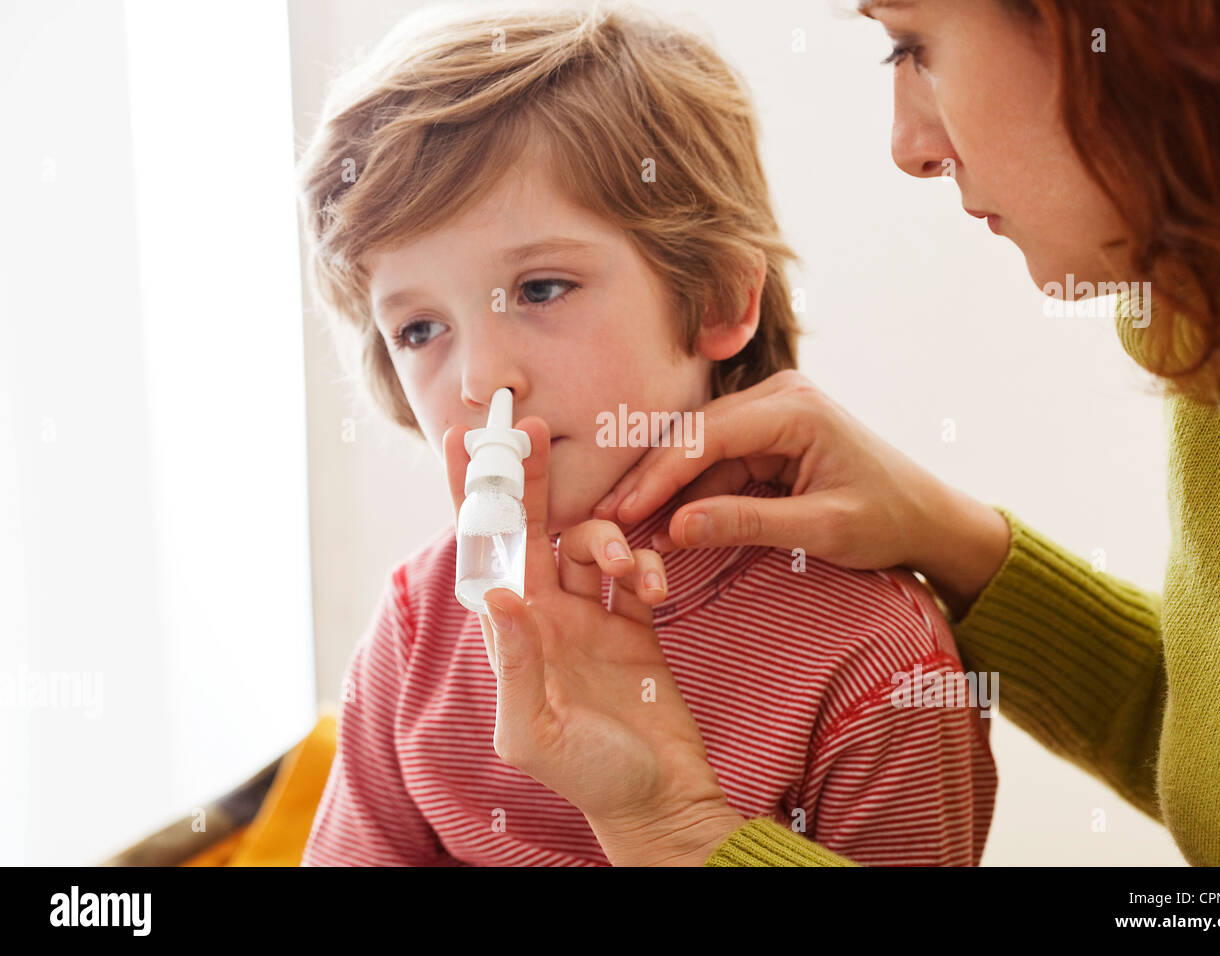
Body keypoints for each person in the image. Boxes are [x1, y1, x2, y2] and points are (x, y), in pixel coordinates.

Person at [472, 0, 1220, 866]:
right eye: (416, 329)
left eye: (914, 46)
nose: (909, 147)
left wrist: (673, 829)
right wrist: (954, 541)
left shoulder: (881, 666)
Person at [295, 4, 996, 866]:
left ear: (720, 301)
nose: (480, 380)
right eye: (418, 329)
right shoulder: (420, 622)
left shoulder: (873, 657)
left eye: (542, 288)